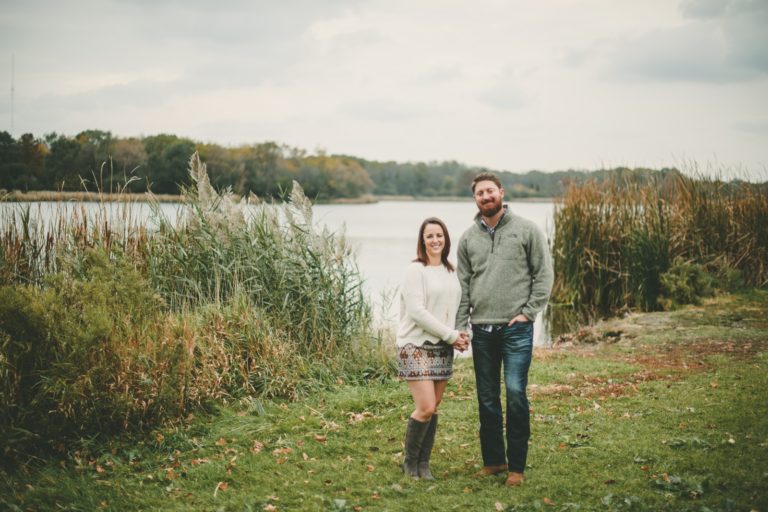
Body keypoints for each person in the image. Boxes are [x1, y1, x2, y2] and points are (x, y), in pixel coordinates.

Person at [455, 171, 554, 487]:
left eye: (489, 191)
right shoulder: (468, 238)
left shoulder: (526, 230)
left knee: (514, 392)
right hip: (481, 331)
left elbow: (544, 275)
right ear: (475, 199)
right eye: (479, 193)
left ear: (501, 192)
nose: (485, 196)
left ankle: (517, 467)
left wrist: (528, 313)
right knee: (486, 397)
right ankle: (494, 461)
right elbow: (464, 287)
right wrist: (460, 326)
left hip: (515, 330)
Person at [396, 217, 470, 480]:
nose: (435, 240)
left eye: (439, 235)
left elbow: (454, 309)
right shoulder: (415, 270)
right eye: (430, 236)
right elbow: (417, 312)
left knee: (435, 406)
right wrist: (451, 335)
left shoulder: (451, 270)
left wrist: (460, 335)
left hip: (442, 347)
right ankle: (409, 462)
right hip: (415, 345)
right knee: (425, 406)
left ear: (446, 239)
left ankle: (423, 464)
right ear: (422, 241)